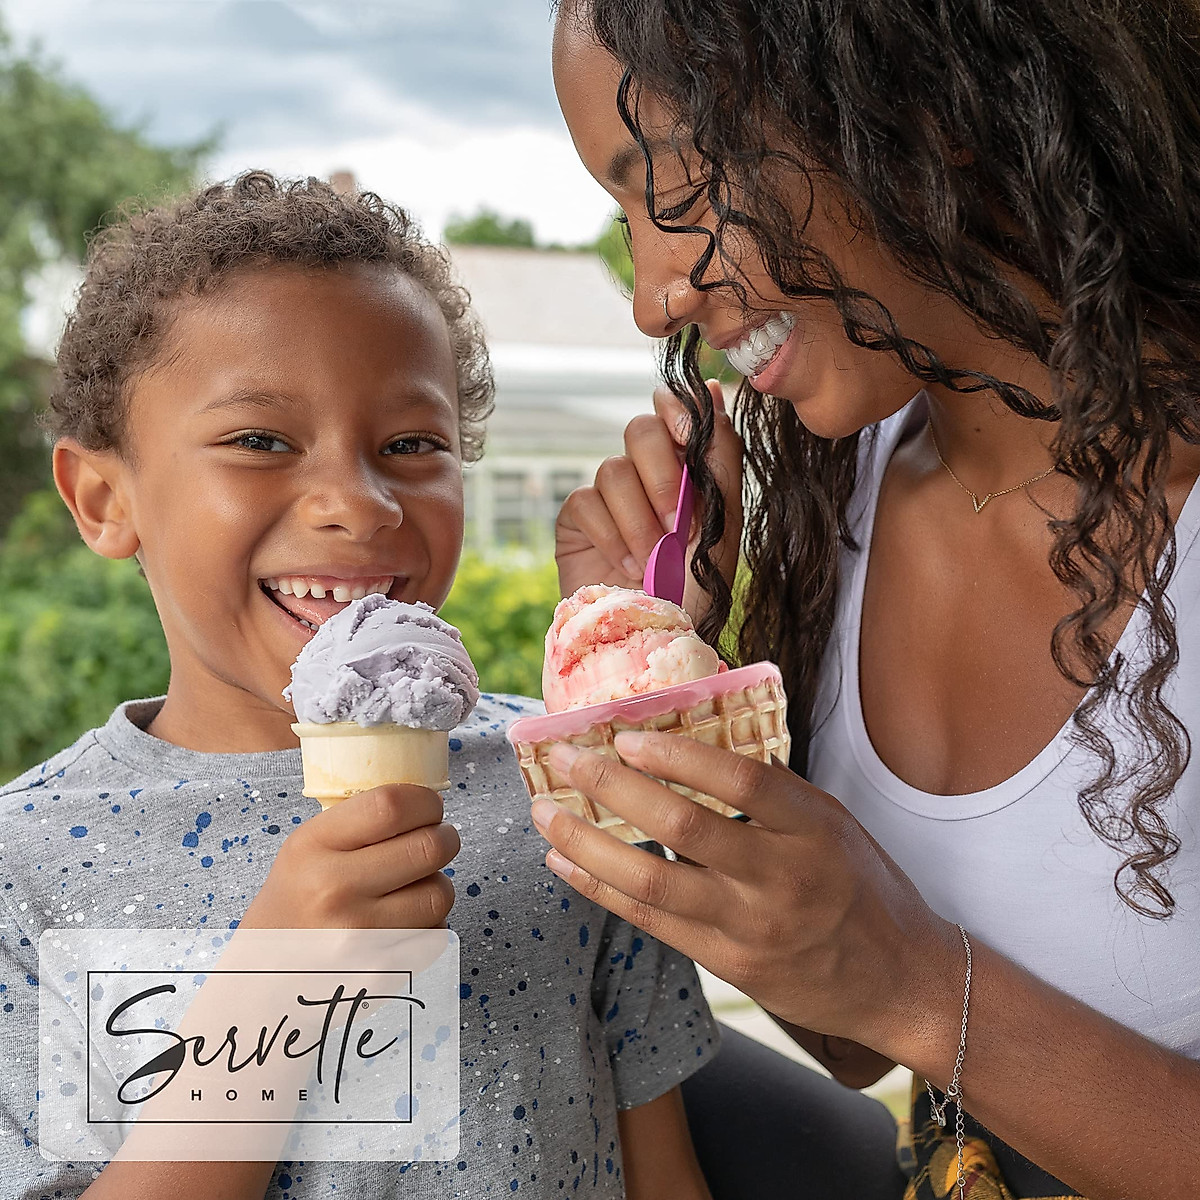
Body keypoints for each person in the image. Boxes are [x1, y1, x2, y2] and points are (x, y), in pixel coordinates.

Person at [535, 3, 1200, 1199]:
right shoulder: (840, 490)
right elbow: (852, 1041)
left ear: (919, 92)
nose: (653, 295)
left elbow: (894, 997)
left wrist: (916, 984)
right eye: (625, 214)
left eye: (679, 184)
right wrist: (661, 686)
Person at [0, 171, 717, 1200]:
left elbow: (662, 1172)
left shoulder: (561, 780)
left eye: (411, 444)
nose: (359, 501)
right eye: (260, 441)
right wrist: (275, 992)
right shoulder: (24, 870)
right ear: (105, 498)